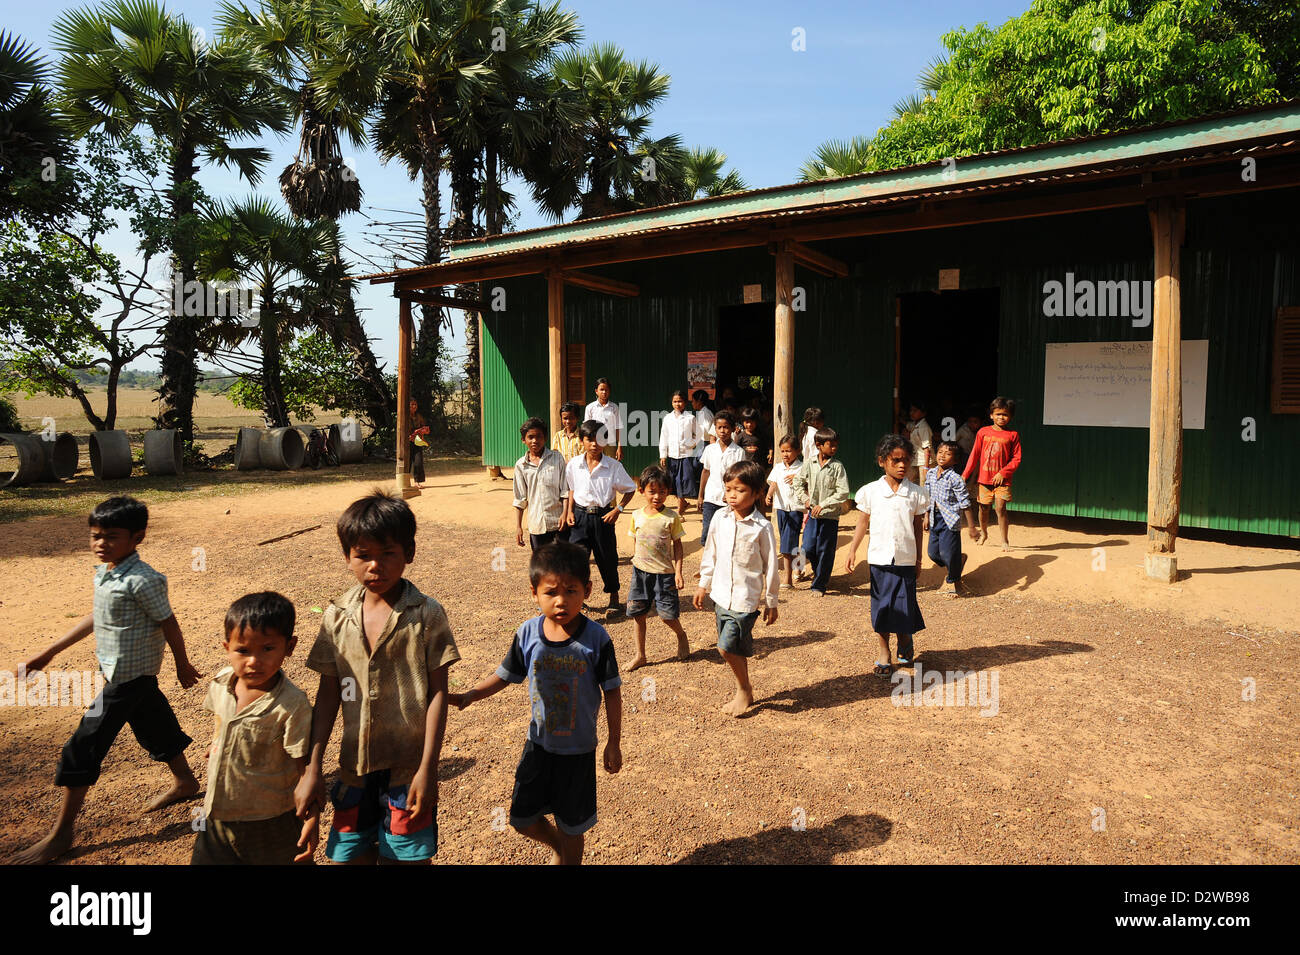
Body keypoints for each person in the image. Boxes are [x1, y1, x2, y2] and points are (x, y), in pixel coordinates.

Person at [11, 495, 201, 865]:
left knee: (84, 745)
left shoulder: (144, 580)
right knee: (154, 723)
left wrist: (182, 663)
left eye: (112, 536)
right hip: (126, 674)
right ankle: (186, 782)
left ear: (138, 537)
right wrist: (50, 651)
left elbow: (168, 622)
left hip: (127, 679)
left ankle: (61, 835)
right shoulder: (106, 573)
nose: (101, 543)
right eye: (95, 535)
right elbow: (97, 616)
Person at [297, 491, 459, 865]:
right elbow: (327, 696)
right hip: (353, 768)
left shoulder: (427, 614)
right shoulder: (337, 615)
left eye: (388, 553)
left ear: (409, 553)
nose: (375, 566)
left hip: (408, 769)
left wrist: (428, 769)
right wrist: (313, 768)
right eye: (363, 554)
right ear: (347, 556)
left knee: (406, 858)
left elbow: (437, 694)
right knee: (347, 856)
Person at [449, 542, 622, 865]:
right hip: (539, 746)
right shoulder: (527, 633)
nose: (561, 601)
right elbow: (506, 674)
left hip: (578, 752)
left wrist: (613, 742)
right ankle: (558, 846)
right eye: (551, 592)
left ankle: (568, 854)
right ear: (534, 592)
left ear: (587, 590)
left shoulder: (597, 639)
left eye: (571, 591)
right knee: (522, 817)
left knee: (573, 826)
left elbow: (612, 690)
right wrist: (471, 695)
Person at [193, 592, 318, 865]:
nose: (253, 661)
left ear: (290, 647)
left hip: (271, 822)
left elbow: (303, 768)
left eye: (268, 649)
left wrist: (312, 815)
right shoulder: (220, 685)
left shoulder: (291, 705)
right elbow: (221, 722)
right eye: (243, 650)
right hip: (217, 815)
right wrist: (220, 743)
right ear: (227, 647)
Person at [694, 460, 780, 717]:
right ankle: (744, 688)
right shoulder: (720, 518)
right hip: (720, 595)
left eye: (739, 489)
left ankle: (744, 689)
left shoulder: (762, 527)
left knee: (724, 647)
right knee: (735, 648)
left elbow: (772, 566)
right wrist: (703, 585)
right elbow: (711, 553)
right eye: (728, 488)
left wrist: (772, 601)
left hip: (745, 599)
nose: (732, 494)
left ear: (756, 493)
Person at [846, 435, 930, 676]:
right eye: (896, 460)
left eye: (906, 460)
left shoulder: (916, 494)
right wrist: (852, 550)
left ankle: (905, 641)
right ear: (882, 461)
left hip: (905, 559)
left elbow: (917, 528)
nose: (902, 465)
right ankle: (884, 652)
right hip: (879, 560)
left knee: (904, 605)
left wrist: (917, 559)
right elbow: (862, 523)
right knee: (882, 607)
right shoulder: (870, 492)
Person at [562, 419, 637, 614]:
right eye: (589, 439)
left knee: (607, 558)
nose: (594, 444)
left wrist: (618, 509)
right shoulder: (573, 465)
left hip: (603, 517)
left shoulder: (613, 466)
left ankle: (614, 598)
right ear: (581, 441)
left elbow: (630, 489)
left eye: (599, 439)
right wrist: (570, 511)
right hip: (579, 516)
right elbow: (571, 489)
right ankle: (576, 599)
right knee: (577, 560)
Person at [626, 465, 689, 670]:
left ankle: (681, 635)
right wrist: (636, 561)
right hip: (640, 573)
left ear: (668, 491)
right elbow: (635, 541)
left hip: (664, 574)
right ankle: (640, 655)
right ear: (641, 490)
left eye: (662, 491)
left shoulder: (672, 517)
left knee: (667, 615)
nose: (657, 496)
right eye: (652, 491)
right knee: (638, 614)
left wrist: (678, 572)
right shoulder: (636, 515)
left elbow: (678, 546)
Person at [791, 427, 851, 596]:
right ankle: (818, 572)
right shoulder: (809, 463)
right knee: (808, 548)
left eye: (836, 445)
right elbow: (798, 483)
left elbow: (843, 491)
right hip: (812, 515)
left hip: (830, 516)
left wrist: (823, 504)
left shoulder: (838, 467)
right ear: (818, 445)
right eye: (830, 445)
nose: (834, 448)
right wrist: (806, 500)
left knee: (826, 550)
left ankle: (819, 584)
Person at [961, 397, 1023, 551]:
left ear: (1011, 417)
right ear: (991, 415)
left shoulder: (1013, 435)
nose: (1001, 417)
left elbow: (1017, 458)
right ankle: (984, 533)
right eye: (998, 414)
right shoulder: (983, 432)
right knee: (984, 509)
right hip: (985, 479)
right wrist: (965, 474)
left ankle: (1004, 541)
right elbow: (974, 455)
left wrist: (1004, 472)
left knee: (1001, 508)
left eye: (1005, 415)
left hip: (1003, 480)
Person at [924, 440, 980, 596]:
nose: (942, 456)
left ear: (955, 460)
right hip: (935, 518)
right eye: (940, 452)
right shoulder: (930, 473)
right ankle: (958, 560)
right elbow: (928, 495)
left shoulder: (956, 479)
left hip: (950, 520)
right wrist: (926, 515)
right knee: (933, 554)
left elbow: (965, 503)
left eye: (948, 454)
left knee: (948, 553)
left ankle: (955, 585)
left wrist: (971, 528)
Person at [513, 416, 568, 552]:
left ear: (545, 438)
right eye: (530, 437)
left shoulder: (557, 458)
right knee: (542, 568)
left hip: (558, 523)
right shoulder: (521, 465)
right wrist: (518, 527)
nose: (535, 441)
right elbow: (520, 499)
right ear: (523, 440)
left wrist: (565, 514)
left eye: (539, 436)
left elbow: (565, 490)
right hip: (536, 525)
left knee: (561, 566)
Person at [696, 410, 746, 545]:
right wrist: (700, 495)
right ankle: (709, 562)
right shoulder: (710, 450)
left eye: (726, 427)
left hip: (729, 500)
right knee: (707, 531)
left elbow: (739, 478)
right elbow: (705, 472)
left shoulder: (738, 452)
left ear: (732, 429)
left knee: (726, 533)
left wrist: (732, 493)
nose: (722, 431)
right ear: (715, 429)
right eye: (719, 427)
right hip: (710, 498)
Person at [765, 435, 805, 589]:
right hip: (781, 508)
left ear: (797, 451)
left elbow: (808, 482)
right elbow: (774, 483)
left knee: (787, 543)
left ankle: (787, 578)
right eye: (782, 451)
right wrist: (769, 495)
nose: (785, 454)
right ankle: (799, 566)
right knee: (789, 540)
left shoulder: (802, 468)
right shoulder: (778, 467)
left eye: (788, 451)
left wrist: (798, 477)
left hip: (795, 508)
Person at [658, 389, 699, 516]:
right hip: (672, 455)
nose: (677, 404)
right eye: (675, 401)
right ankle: (682, 503)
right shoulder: (667, 418)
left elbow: (697, 434)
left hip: (685, 456)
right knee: (674, 481)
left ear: (685, 402)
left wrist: (691, 444)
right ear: (671, 403)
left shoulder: (690, 418)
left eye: (680, 401)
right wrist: (663, 455)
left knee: (684, 480)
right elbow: (663, 437)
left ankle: (679, 512)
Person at [584, 378, 623, 461]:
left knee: (610, 467)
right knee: (595, 465)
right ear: (596, 391)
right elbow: (586, 429)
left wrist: (619, 447)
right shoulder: (590, 408)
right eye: (601, 389)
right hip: (595, 444)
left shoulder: (614, 407)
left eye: (606, 390)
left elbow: (618, 428)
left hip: (610, 444)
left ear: (609, 391)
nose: (604, 392)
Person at [905, 401, 932, 486]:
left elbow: (927, 448)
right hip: (915, 459)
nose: (911, 413)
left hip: (924, 461)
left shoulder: (924, 427)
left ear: (923, 413)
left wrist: (926, 467)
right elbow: (907, 425)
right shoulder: (915, 424)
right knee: (907, 481)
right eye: (911, 410)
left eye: (915, 411)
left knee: (923, 485)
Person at [737, 407, 772, 472]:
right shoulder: (741, 436)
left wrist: (770, 454)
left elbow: (769, 445)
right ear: (743, 422)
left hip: (759, 466)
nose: (749, 425)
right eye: (747, 422)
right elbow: (736, 449)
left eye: (752, 422)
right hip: (746, 467)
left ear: (756, 422)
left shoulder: (761, 435)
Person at [408, 399, 430, 486]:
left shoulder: (419, 416)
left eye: (415, 405)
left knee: (418, 462)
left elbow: (424, 427)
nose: (414, 406)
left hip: (417, 441)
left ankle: (417, 482)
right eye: (412, 405)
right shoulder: (405, 416)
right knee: (407, 463)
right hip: (407, 443)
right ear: (408, 406)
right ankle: (405, 482)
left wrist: (424, 431)